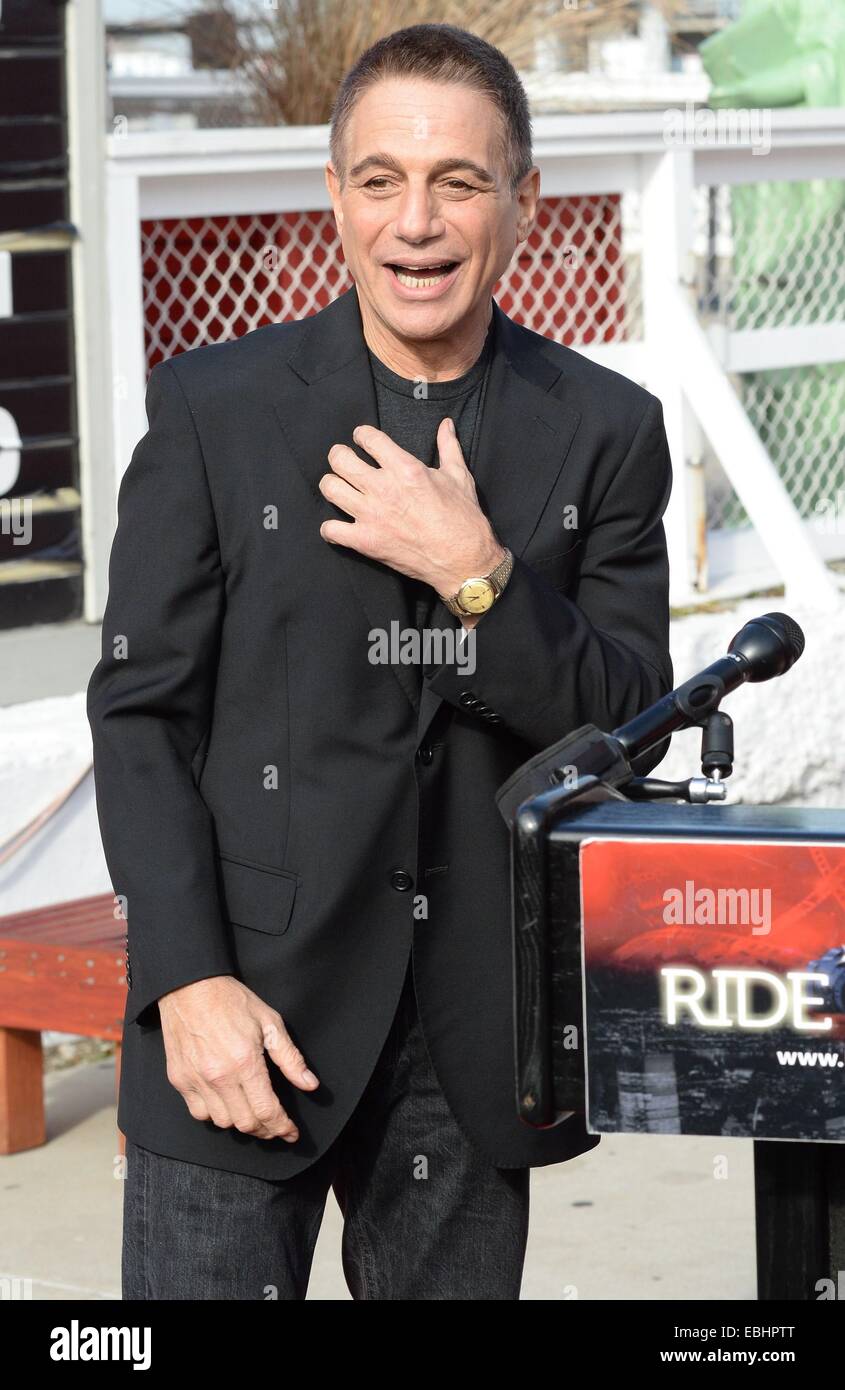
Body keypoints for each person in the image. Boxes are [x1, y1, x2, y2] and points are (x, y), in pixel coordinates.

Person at [87, 22, 673, 1301]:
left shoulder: (607, 433)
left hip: (466, 1045)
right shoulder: (212, 410)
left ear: (522, 201)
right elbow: (140, 713)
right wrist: (184, 979)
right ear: (336, 195)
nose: (415, 223)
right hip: (244, 1011)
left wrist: (478, 577)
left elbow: (633, 722)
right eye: (380, 180)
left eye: (458, 182)